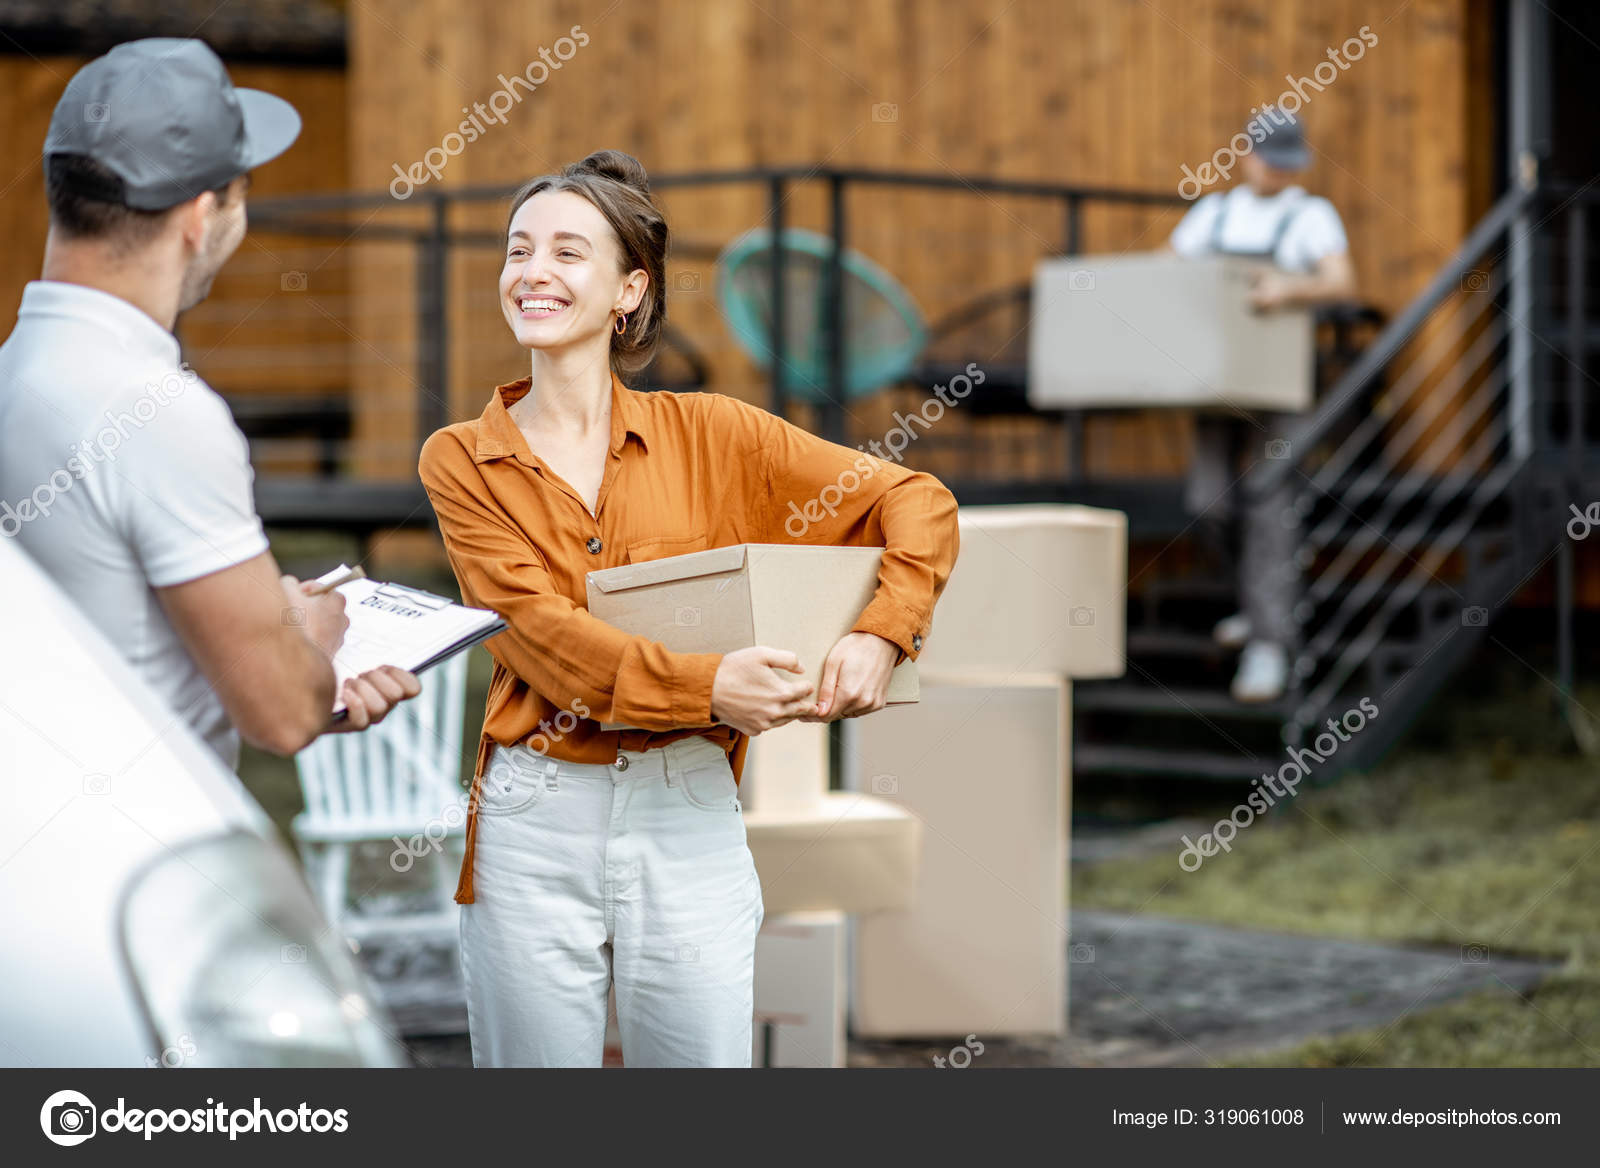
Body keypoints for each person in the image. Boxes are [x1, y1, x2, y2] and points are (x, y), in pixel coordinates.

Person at [418, 149, 960, 1067]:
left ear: (630, 289)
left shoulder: (717, 434)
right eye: (518, 252)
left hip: (688, 807)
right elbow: (542, 640)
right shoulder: (462, 459)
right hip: (535, 815)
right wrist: (713, 688)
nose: (532, 273)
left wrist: (883, 630)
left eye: (566, 252)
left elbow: (916, 497)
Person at [0, 38, 419, 767]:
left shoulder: (18, 370)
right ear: (200, 216)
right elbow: (286, 715)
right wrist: (306, 634)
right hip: (143, 855)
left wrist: (254, 622)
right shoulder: (158, 412)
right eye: (241, 189)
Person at [1165, 110, 1357, 702]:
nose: (1276, 172)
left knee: (1270, 502)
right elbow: (1168, 272)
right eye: (1269, 159)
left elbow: (1340, 281)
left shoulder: (1310, 215)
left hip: (1282, 384)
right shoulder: (1214, 213)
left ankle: (1269, 643)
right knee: (1208, 501)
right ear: (1246, 155)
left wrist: (1287, 289)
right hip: (1217, 379)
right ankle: (1254, 602)